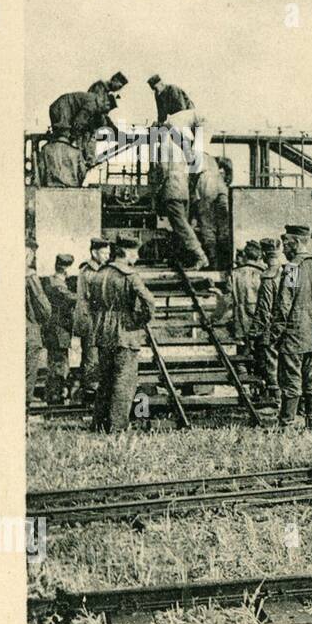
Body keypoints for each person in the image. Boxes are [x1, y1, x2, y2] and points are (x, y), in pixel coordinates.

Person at [91, 237, 156, 432]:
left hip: (103, 330)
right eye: (135, 252)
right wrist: (139, 320)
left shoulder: (100, 273)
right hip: (125, 332)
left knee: (105, 379)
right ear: (126, 253)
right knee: (124, 380)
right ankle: (117, 426)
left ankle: (99, 423)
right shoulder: (129, 274)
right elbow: (149, 302)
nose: (136, 256)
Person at [277, 225, 312, 429]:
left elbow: (284, 303)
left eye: (286, 244)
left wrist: (276, 331)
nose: (284, 249)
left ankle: (286, 425)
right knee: (311, 378)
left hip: (295, 333)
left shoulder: (293, 268)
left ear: (297, 243)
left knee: (291, 379)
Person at [150, 131, 207, 269]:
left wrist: (157, 189)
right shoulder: (180, 146)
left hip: (172, 189)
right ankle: (180, 258)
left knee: (181, 226)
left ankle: (200, 256)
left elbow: (163, 168)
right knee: (180, 226)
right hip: (183, 190)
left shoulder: (164, 144)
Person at [72, 237, 112, 403]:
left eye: (108, 253)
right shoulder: (89, 271)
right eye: (103, 253)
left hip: (99, 321)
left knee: (96, 357)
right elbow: (92, 298)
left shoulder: (101, 269)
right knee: (92, 358)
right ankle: (90, 393)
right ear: (94, 252)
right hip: (91, 321)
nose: (107, 256)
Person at [40, 253, 76, 405]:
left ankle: (56, 394)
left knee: (56, 362)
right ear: (64, 269)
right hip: (58, 331)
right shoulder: (58, 286)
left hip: (55, 331)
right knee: (58, 364)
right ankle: (55, 396)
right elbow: (71, 299)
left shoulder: (51, 282)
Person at [252, 237, 284, 404]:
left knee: (270, 361)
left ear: (264, 255)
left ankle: (276, 399)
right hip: (288, 325)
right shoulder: (289, 271)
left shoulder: (267, 278)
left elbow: (264, 310)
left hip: (272, 327)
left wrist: (254, 332)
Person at [25, 236, 51, 406]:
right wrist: (45, 319)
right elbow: (43, 305)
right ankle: (26, 397)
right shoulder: (29, 276)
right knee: (30, 362)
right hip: (29, 326)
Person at [192, 153, 231, 268]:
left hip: (205, 185)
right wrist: (228, 179)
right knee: (224, 223)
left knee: (207, 226)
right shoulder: (211, 158)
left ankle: (213, 261)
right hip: (220, 184)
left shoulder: (194, 157)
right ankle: (225, 261)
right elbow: (228, 163)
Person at [229, 240, 265, 366]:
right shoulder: (262, 273)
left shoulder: (235, 273)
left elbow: (228, 297)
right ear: (259, 256)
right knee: (260, 352)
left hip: (240, 316)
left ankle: (243, 377)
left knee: (242, 353)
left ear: (245, 254)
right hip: (259, 317)